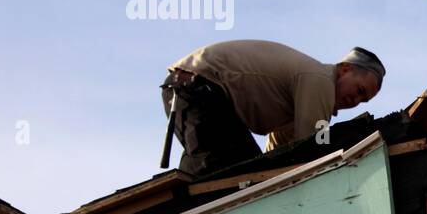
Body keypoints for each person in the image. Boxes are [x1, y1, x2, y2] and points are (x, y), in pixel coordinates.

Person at [160, 40, 384, 176]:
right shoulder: (320, 81)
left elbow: (279, 153)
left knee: (230, 171)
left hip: (191, 92)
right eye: (360, 90)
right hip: (198, 90)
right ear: (344, 70)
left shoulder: (301, 98)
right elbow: (317, 146)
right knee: (236, 175)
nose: (355, 101)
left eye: (362, 101)